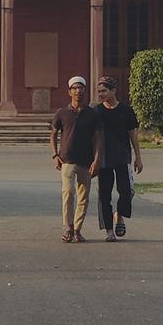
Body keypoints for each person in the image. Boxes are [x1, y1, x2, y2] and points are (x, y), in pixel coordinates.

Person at [92, 76, 142, 240]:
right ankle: (109, 231)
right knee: (104, 195)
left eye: (104, 91)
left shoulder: (126, 111)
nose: (101, 94)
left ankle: (119, 214)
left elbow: (133, 134)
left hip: (122, 156)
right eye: (99, 91)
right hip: (103, 159)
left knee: (127, 191)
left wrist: (138, 157)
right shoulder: (96, 111)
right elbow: (91, 136)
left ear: (113, 91)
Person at [49, 75, 98, 243]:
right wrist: (55, 154)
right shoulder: (62, 113)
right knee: (68, 193)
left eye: (81, 88)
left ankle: (77, 230)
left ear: (85, 91)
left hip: (86, 161)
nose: (78, 91)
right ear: (69, 92)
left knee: (83, 197)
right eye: (75, 88)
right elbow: (53, 134)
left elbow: (97, 138)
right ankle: (68, 228)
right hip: (67, 160)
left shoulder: (91, 114)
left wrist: (97, 159)